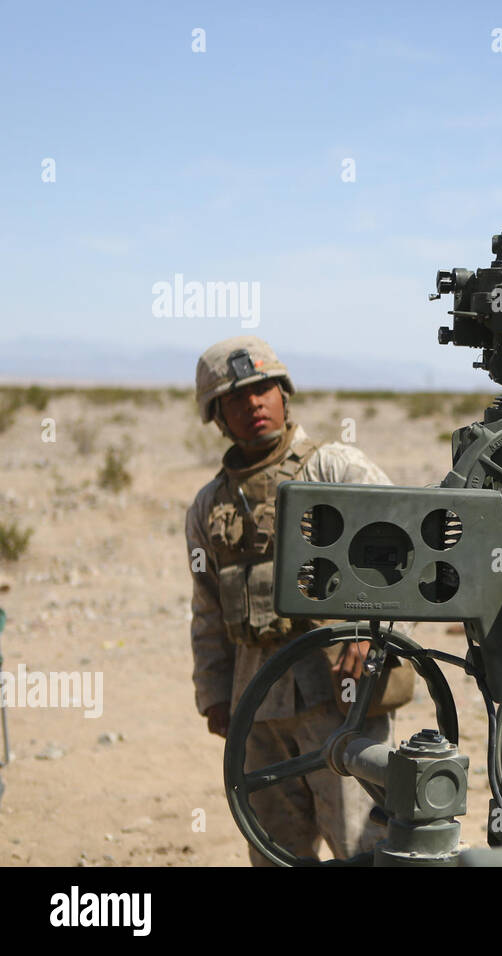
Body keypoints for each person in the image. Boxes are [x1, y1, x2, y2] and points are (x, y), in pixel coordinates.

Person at [186, 335, 393, 865]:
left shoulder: (335, 468)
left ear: (284, 394)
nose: (253, 404)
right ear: (218, 417)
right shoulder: (209, 504)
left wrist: (374, 635)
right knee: (273, 848)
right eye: (236, 398)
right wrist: (213, 689)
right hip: (256, 701)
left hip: (338, 693)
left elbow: (401, 556)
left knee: (361, 845)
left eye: (263, 390)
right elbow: (207, 605)